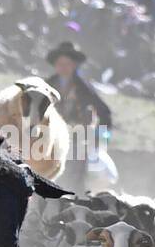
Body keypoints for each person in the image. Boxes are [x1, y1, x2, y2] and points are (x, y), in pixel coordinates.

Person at [44, 41, 114, 192]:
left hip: (77, 137)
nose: (63, 68)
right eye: (60, 64)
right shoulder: (46, 85)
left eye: (67, 64)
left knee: (75, 173)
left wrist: (100, 137)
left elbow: (104, 112)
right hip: (49, 136)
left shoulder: (83, 88)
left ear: (74, 65)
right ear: (55, 65)